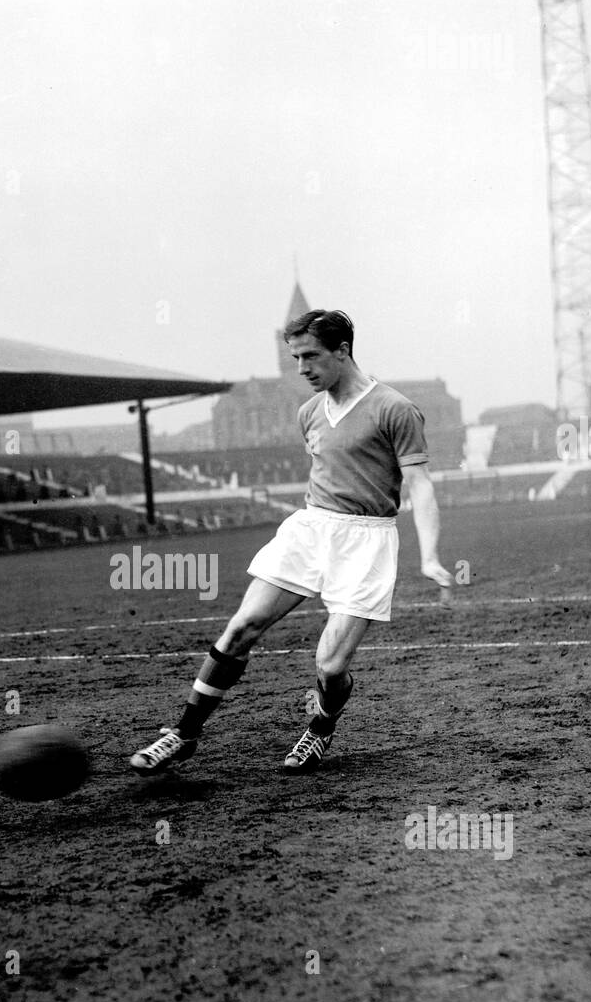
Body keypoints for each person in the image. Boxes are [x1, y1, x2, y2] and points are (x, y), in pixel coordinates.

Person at [129, 308, 454, 776]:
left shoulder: (395, 409)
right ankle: (182, 735)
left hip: (366, 541)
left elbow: (420, 485)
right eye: (295, 357)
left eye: (310, 356)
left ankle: (320, 729)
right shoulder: (308, 412)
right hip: (310, 529)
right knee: (242, 627)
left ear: (343, 351)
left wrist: (431, 555)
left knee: (330, 665)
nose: (301, 369)